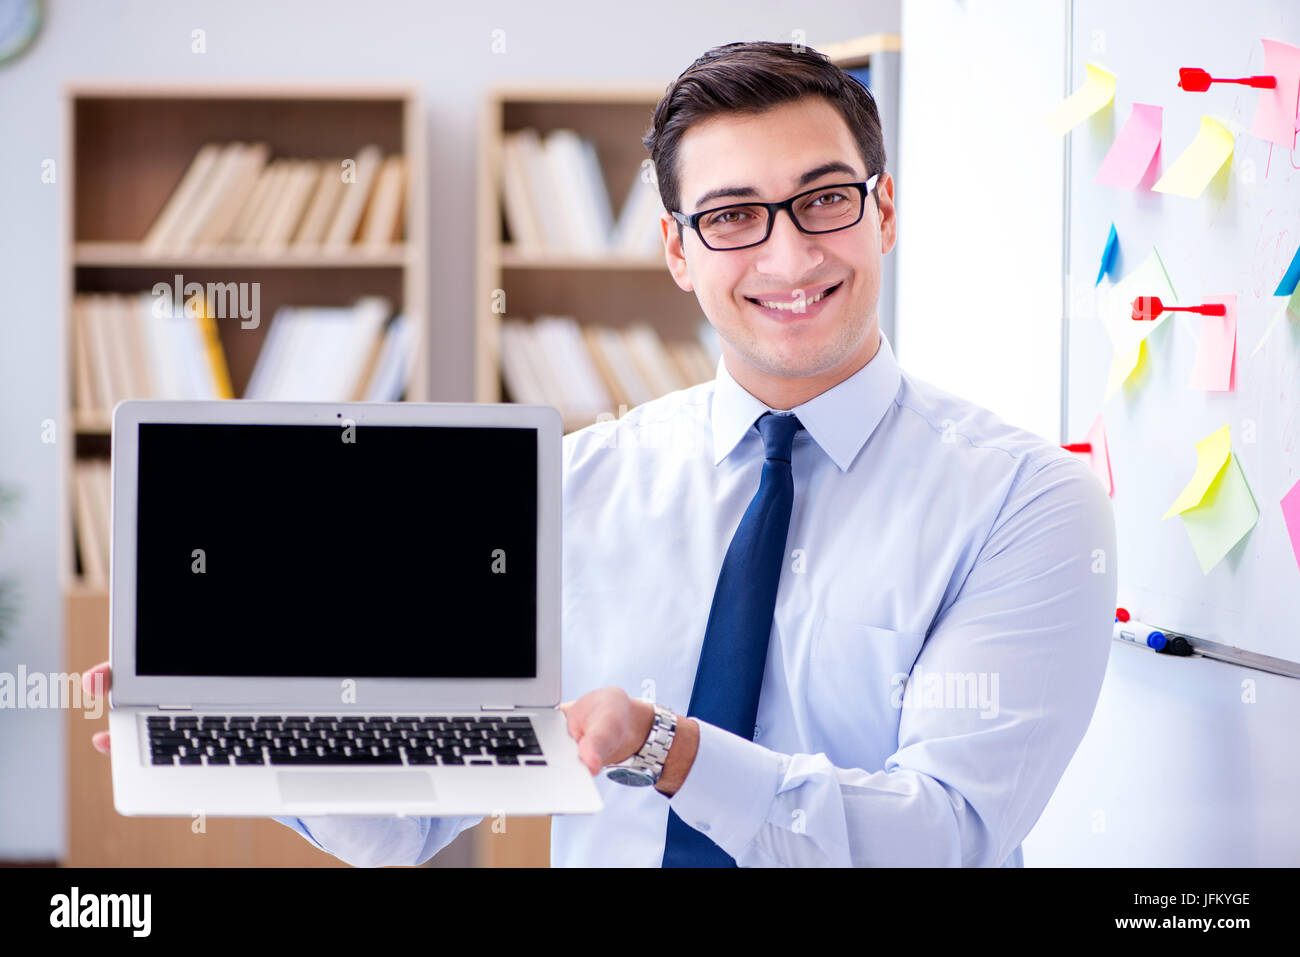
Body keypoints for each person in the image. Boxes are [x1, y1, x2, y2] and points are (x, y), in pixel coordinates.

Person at [86, 39, 1117, 867]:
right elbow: (402, 831)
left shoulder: (1029, 503)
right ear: (676, 250)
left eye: (824, 198)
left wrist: (667, 751)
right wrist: (257, 741)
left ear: (882, 211)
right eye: (730, 217)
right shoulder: (570, 485)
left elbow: (941, 832)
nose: (790, 253)